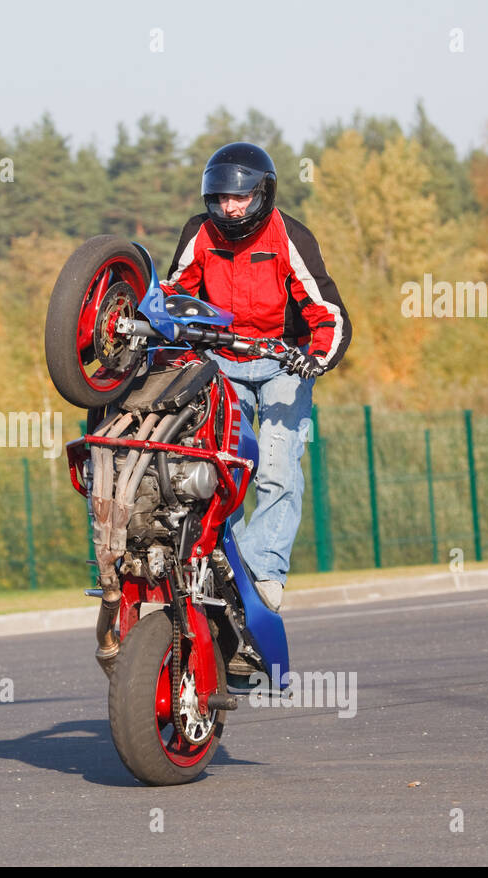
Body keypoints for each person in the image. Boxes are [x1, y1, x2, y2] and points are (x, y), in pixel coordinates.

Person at [161, 142, 350, 612]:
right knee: (222, 468)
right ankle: (220, 567)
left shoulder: (292, 237)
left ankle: (263, 571)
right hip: (223, 360)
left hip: (284, 362)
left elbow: (328, 312)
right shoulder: (199, 234)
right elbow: (172, 297)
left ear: (262, 194)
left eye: (241, 198)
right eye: (223, 198)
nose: (231, 206)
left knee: (277, 467)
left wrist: (317, 358)